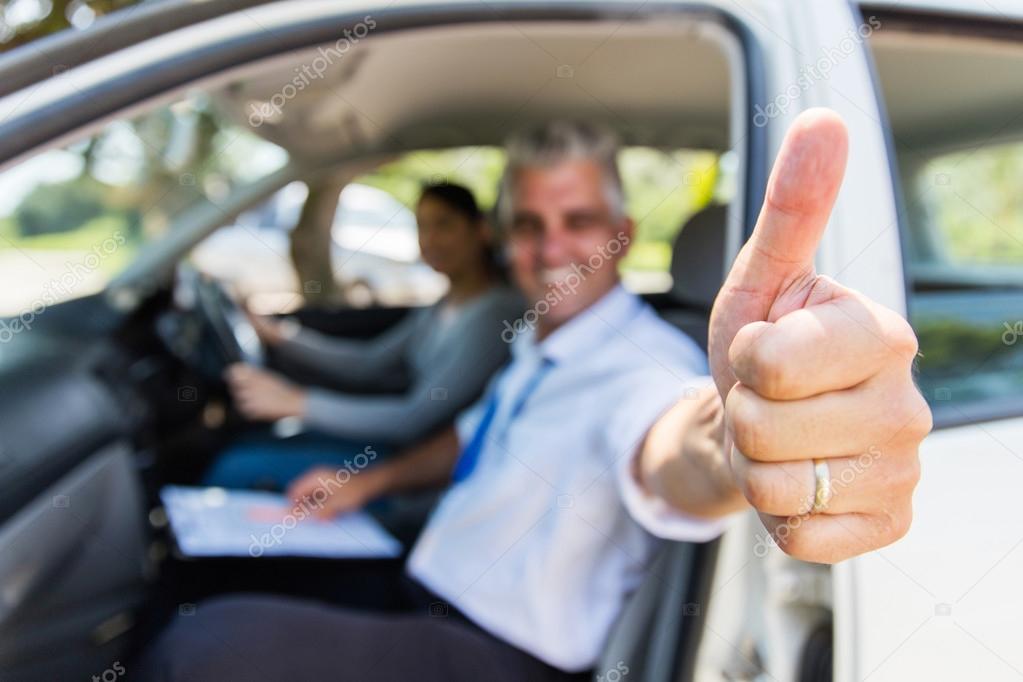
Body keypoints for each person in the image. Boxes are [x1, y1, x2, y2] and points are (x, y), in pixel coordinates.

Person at [138, 111, 931, 681]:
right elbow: (468, 434)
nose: (550, 248)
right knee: (204, 569)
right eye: (528, 224)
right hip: (423, 583)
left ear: (618, 236)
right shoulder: (536, 340)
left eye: (577, 222)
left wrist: (737, 439)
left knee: (201, 647)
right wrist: (364, 483)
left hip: (501, 653)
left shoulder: (642, 363)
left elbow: (672, 445)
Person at [202, 182, 524, 490]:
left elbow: (413, 418)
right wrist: (281, 336)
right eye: (422, 227)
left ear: (480, 229)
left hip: (414, 472)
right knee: (255, 443)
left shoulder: (495, 316)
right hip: (391, 447)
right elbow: (367, 362)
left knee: (235, 468)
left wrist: (298, 403)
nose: (430, 239)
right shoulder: (442, 306)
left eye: (444, 225)